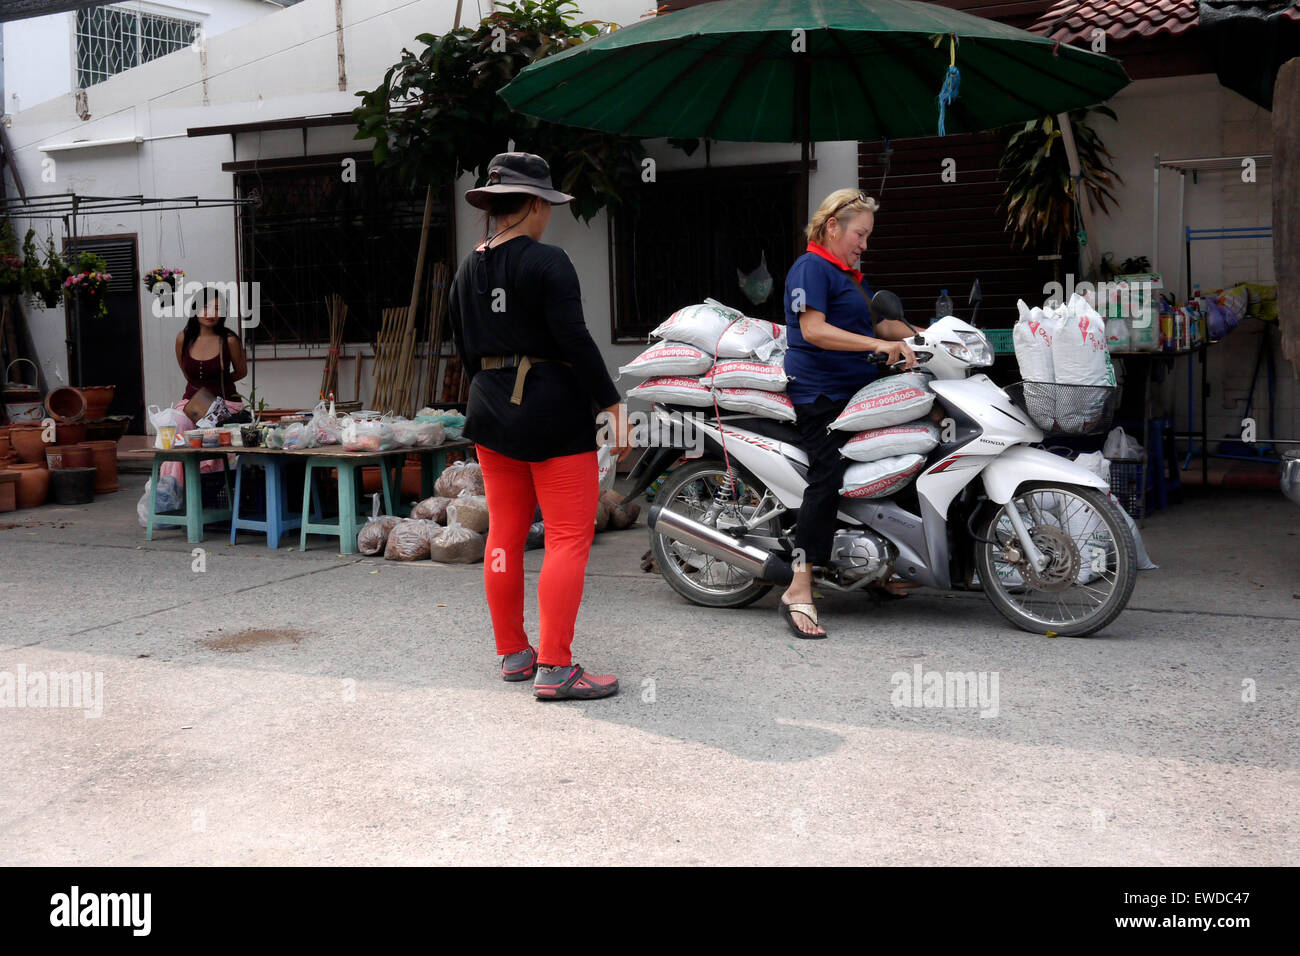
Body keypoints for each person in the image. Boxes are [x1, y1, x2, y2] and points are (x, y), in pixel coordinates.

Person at [448, 151, 631, 700]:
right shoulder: (548, 263)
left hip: (490, 412)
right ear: (532, 204)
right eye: (546, 204)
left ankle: (514, 653)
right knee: (567, 537)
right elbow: (575, 340)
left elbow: (463, 350)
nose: (548, 214)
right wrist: (612, 404)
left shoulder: (466, 268)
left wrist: (493, 396)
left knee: (504, 532)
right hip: (552, 414)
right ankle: (556, 667)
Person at [780, 188, 918, 639]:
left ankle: (880, 562)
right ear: (832, 226)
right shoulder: (811, 268)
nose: (864, 244)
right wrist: (879, 346)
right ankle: (799, 585)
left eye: (868, 236)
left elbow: (876, 324)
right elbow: (814, 330)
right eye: (860, 234)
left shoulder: (849, 275)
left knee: (910, 451)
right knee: (829, 472)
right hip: (820, 395)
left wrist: (927, 334)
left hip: (855, 392)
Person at [160, 287, 247, 485]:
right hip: (191, 404)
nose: (210, 314)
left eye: (216, 309)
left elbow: (242, 372)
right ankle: (172, 486)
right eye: (205, 308)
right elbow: (186, 371)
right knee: (177, 423)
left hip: (223, 403)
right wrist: (200, 392)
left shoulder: (229, 340)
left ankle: (210, 487)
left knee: (210, 432)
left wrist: (217, 384)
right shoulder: (184, 338)